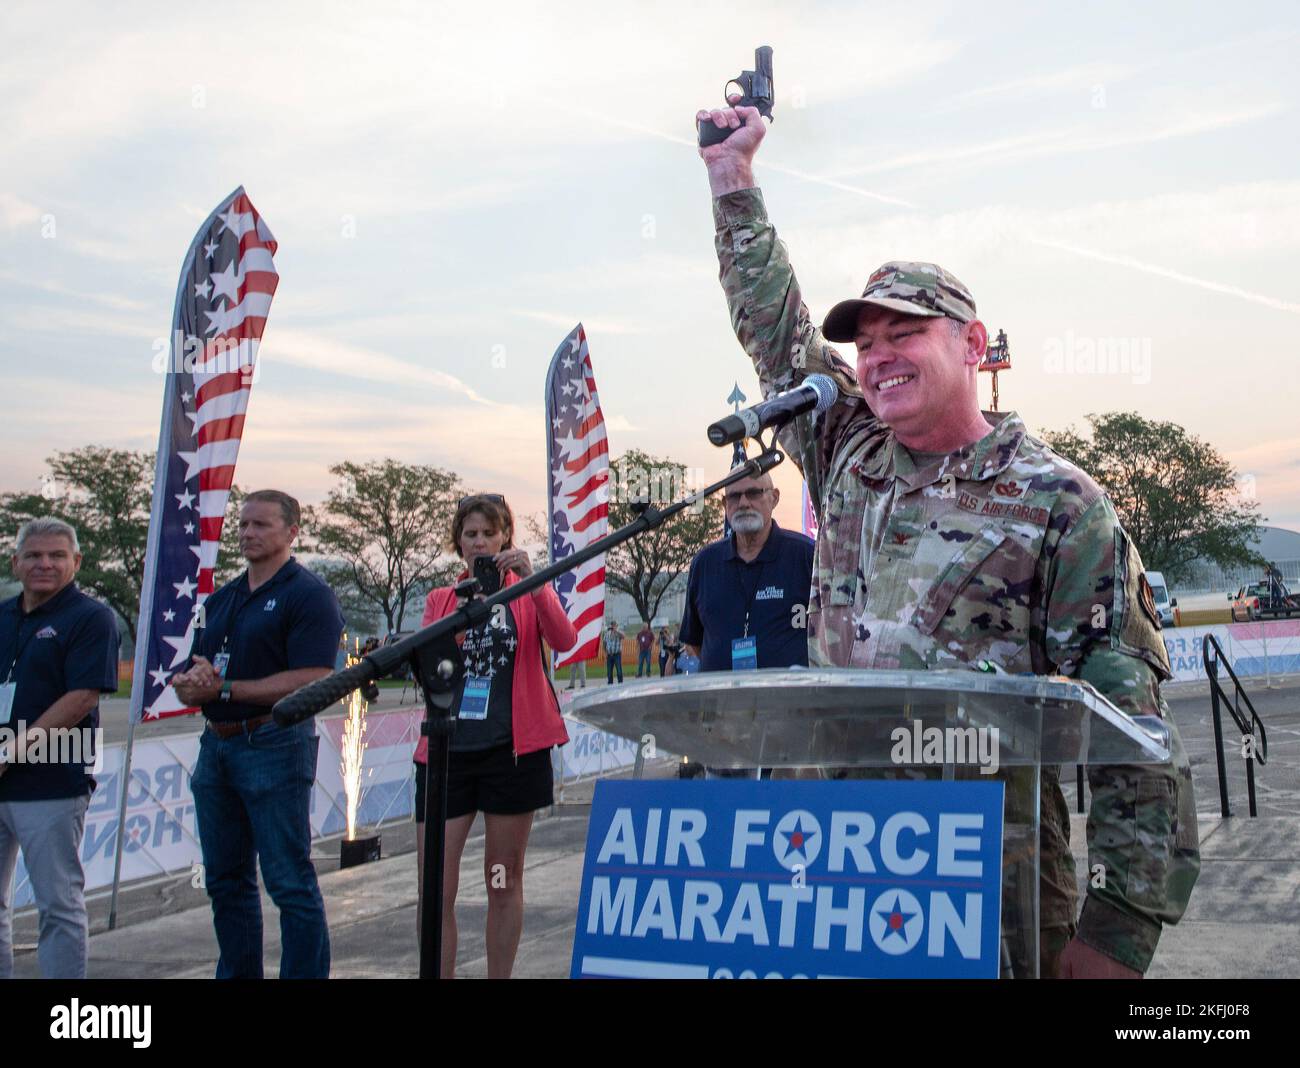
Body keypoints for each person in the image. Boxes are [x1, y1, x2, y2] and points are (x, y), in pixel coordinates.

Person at [697, 99, 1199, 979]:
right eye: (866, 343)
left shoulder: (1059, 503)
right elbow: (776, 328)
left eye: (906, 333)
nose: (878, 356)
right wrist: (732, 178)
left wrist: (1119, 929)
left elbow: (1135, 732)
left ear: (972, 344)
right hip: (833, 863)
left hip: (992, 885)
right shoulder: (846, 451)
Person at [173, 490, 344, 979]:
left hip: (273, 741)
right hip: (218, 746)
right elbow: (201, 669)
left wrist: (227, 687)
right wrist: (191, 686)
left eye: (261, 525)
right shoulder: (224, 598)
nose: (247, 533)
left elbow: (316, 677)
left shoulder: (307, 594)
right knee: (225, 881)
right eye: (243, 524)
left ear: (292, 532)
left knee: (288, 881)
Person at [413, 494, 576, 978]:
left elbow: (565, 639)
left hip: (512, 751)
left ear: (506, 537)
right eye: (471, 534)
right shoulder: (442, 599)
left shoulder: (525, 591)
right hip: (448, 753)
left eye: (489, 533)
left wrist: (532, 581)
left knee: (502, 882)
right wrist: (464, 613)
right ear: (458, 543)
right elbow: (430, 666)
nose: (480, 543)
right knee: (436, 889)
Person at [0, 518, 118, 979]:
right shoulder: (4, 616)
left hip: (50, 782)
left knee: (57, 904)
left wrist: (11, 752)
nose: (43, 564)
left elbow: (81, 698)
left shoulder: (90, 618)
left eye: (56, 556)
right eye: (33, 555)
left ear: (77, 562)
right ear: (16, 562)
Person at [679, 468, 814, 779]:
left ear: (774, 498)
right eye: (733, 496)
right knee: (728, 820)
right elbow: (695, 642)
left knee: (788, 820)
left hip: (790, 728)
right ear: (724, 506)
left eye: (754, 493)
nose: (743, 503)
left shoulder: (805, 556)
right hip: (725, 730)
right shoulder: (705, 564)